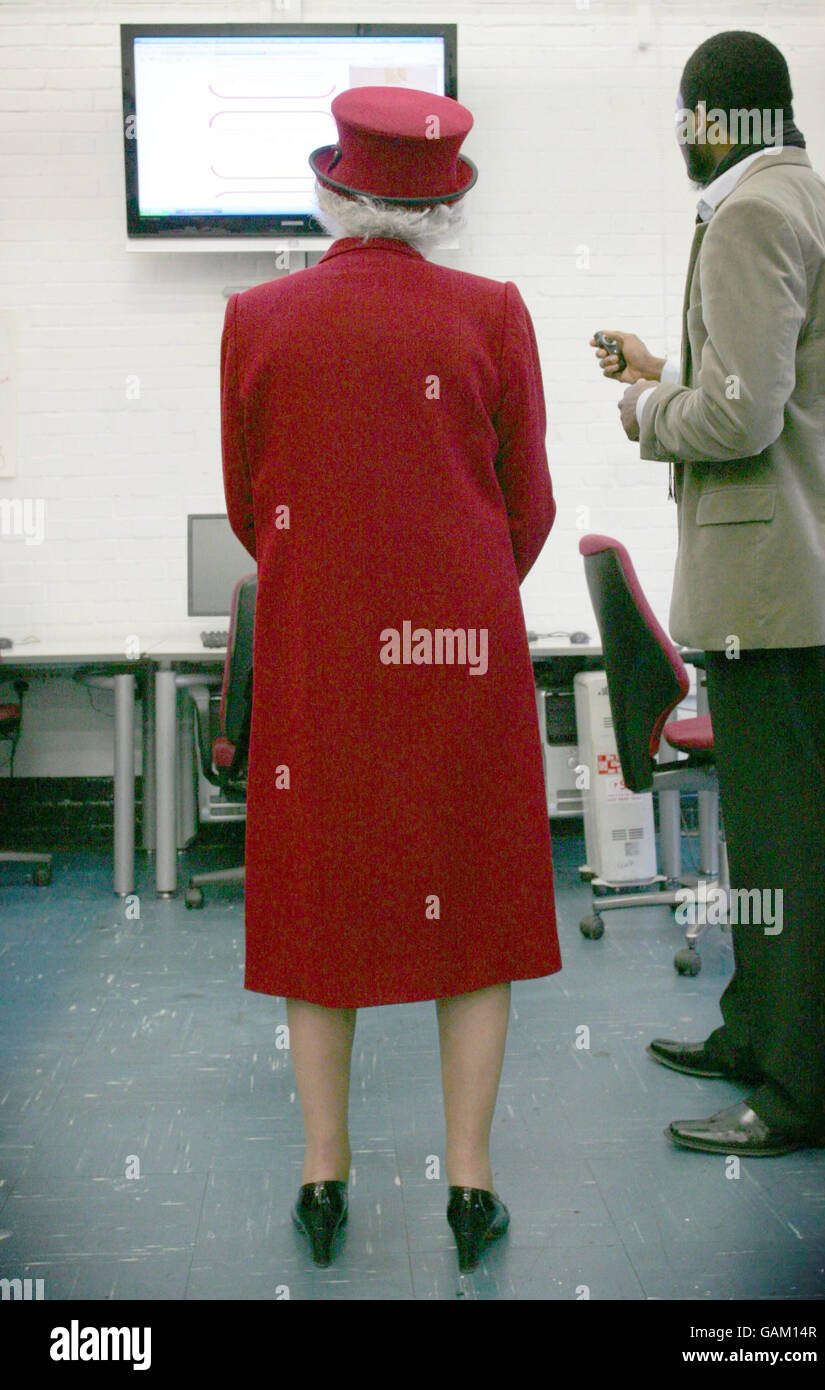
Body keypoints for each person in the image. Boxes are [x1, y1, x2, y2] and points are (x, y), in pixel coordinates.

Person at [221, 85, 562, 1268]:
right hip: (462, 662)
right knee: (474, 907)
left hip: (321, 662)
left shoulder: (258, 317)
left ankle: (325, 1174)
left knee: (323, 905)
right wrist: (453, 593)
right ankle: (470, 1186)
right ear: (448, 200)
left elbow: (247, 504)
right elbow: (532, 509)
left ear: (332, 188)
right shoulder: (494, 314)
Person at [592, 30, 825, 1155]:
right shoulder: (820, 202)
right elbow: (786, 391)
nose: (684, 141)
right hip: (817, 572)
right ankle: (759, 1032)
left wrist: (648, 411)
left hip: (769, 580)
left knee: (787, 845)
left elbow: (742, 421)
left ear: (714, 117)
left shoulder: (746, 215)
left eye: (686, 120)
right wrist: (674, 368)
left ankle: (809, 1093)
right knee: (775, 835)